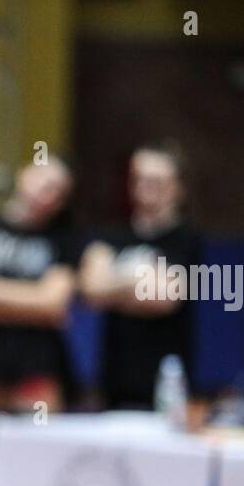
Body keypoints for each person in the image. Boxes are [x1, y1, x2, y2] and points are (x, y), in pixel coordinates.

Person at [79, 141, 203, 409]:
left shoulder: (185, 241)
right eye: (139, 179)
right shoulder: (111, 235)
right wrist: (141, 279)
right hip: (113, 381)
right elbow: (91, 290)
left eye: (156, 181)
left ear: (177, 188)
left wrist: (116, 282)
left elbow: (164, 297)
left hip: (166, 385)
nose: (145, 188)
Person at [0, 155, 76, 416]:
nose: (46, 190)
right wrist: (33, 301)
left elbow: (52, 304)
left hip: (38, 366)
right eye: (42, 178)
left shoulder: (64, 239)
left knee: (35, 449)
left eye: (56, 189)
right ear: (23, 175)